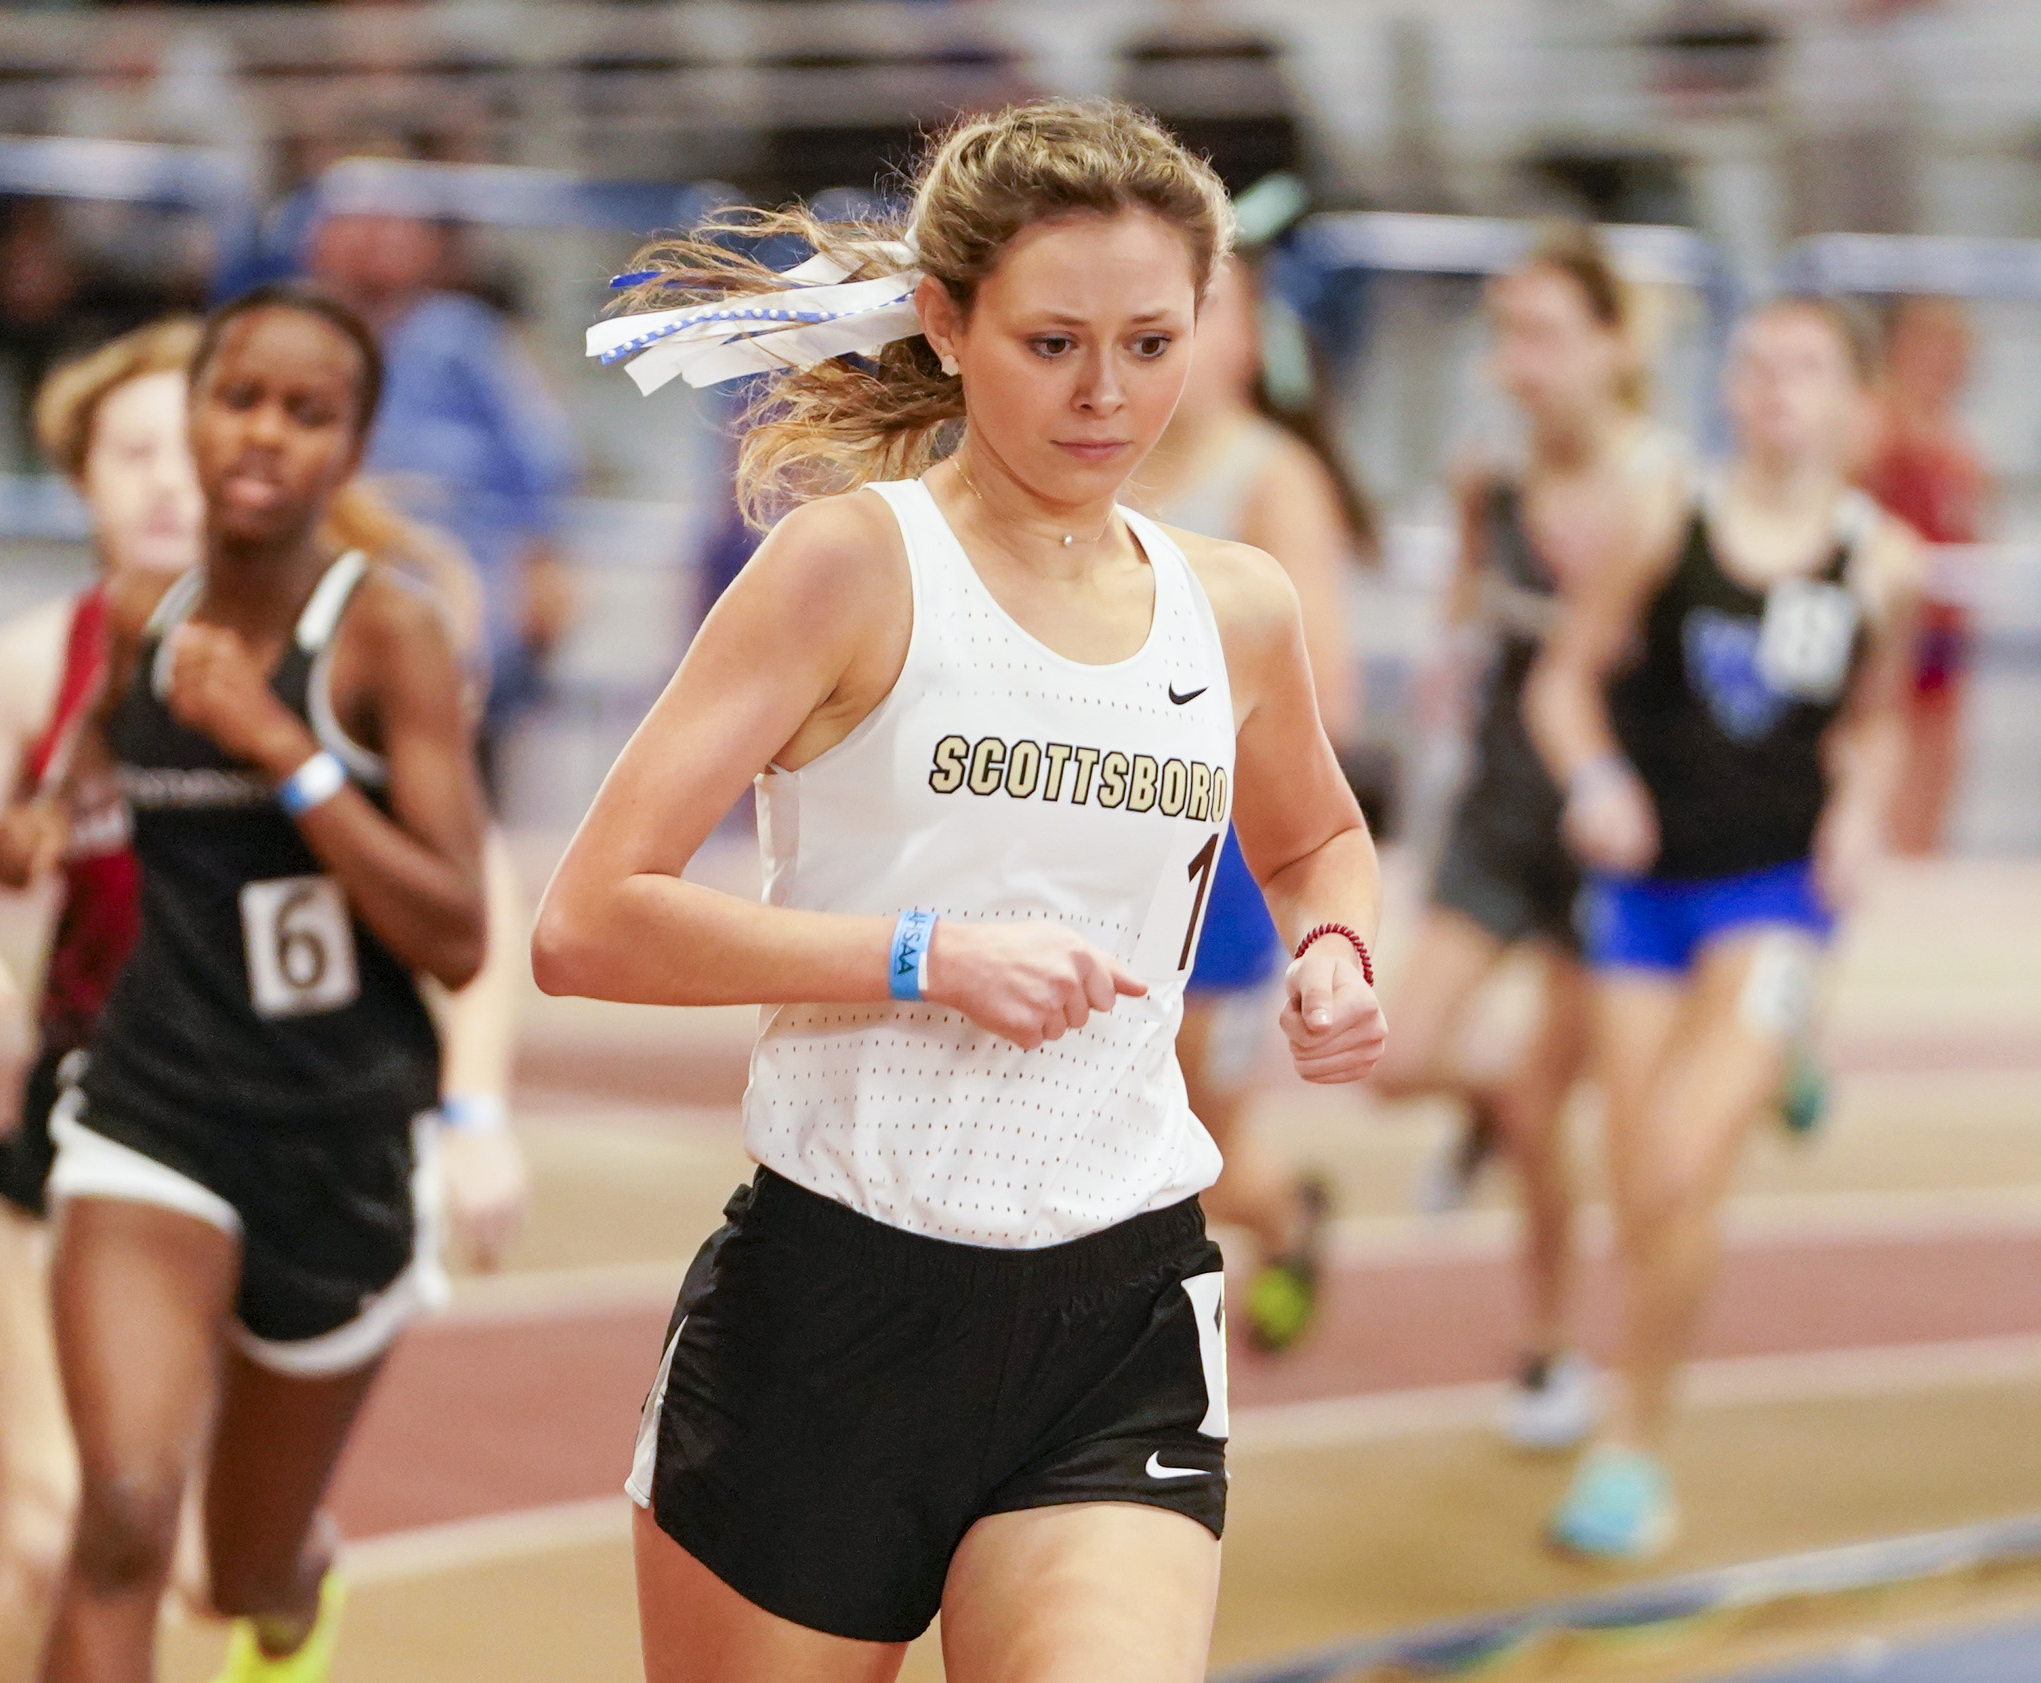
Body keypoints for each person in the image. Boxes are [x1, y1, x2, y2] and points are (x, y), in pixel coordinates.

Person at [539, 99, 1386, 1683]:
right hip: (832, 1307)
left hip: (1119, 1303)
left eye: (1150, 343)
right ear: (946, 318)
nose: (1104, 394)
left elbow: (1319, 838)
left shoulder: (1235, 606)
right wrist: (921, 954)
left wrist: (1335, 947)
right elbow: (587, 919)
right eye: (1053, 342)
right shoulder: (848, 568)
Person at [0, 282, 487, 1683]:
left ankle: (292, 1589)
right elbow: (78, 763)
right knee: (124, 1510)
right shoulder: (146, 616)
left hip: (337, 1143)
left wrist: (285, 747)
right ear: (197, 414)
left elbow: (454, 930)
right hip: (155, 1110)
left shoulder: (385, 635)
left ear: (350, 443)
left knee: (236, 1566)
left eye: (305, 411)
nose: (262, 433)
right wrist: (30, 823)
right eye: (237, 398)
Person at [1528, 296, 1920, 1559]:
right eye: (1753, 363)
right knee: (1644, 1183)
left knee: (1686, 1165)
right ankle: (1782, 1057)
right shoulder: (1667, 517)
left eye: (1805, 368)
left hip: (1776, 895)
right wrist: (1597, 780)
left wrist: (1861, 810)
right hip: (1648, 893)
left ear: (1858, 404)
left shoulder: (1882, 561)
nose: (1773, 388)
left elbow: (1874, 719)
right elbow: (1565, 677)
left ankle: (1631, 1450)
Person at [0, 319, 204, 1683]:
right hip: (79, 1121)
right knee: (45, 1532)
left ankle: (280, 1588)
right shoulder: (38, 660)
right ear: (79, 475)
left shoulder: (327, 647)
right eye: (129, 451)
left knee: (195, 1564)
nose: (163, 480)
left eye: (187, 449)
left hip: (257, 1134)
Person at [1365, 227, 1687, 1453]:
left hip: (1608, 833)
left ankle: (1549, 1354)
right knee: (1396, 1059)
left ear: (1611, 343)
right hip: (1500, 814)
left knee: (1570, 1126)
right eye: (1507, 337)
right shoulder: (1486, 480)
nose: (1520, 363)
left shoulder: (1664, 492)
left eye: (1546, 334)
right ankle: (1491, 1096)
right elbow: (1462, 619)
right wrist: (1438, 694)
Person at [1127, 247, 1370, 1351]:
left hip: (1219, 853)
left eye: (1195, 315)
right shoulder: (1096, 461)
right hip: (1104, 828)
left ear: (1242, 337)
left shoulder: (1273, 476)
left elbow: (1331, 692)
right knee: (1114, 1111)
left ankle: (1285, 1212)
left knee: (1192, 1135)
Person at [307, 201, 579, 801]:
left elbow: (541, 461)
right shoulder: (297, 332)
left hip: (464, 587)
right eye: (351, 217)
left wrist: (543, 569)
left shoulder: (466, 340)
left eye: (392, 217)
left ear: (430, 242)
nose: (371, 237)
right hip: (329, 577)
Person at [1863, 295, 1987, 856]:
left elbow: (1971, 539)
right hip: (1887, 628)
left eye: (1953, 350)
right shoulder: (1872, 431)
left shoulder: (1962, 455)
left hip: (1943, 632)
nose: (1944, 362)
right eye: (1930, 346)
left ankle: (1919, 857)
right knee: (1879, 740)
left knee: (1939, 755)